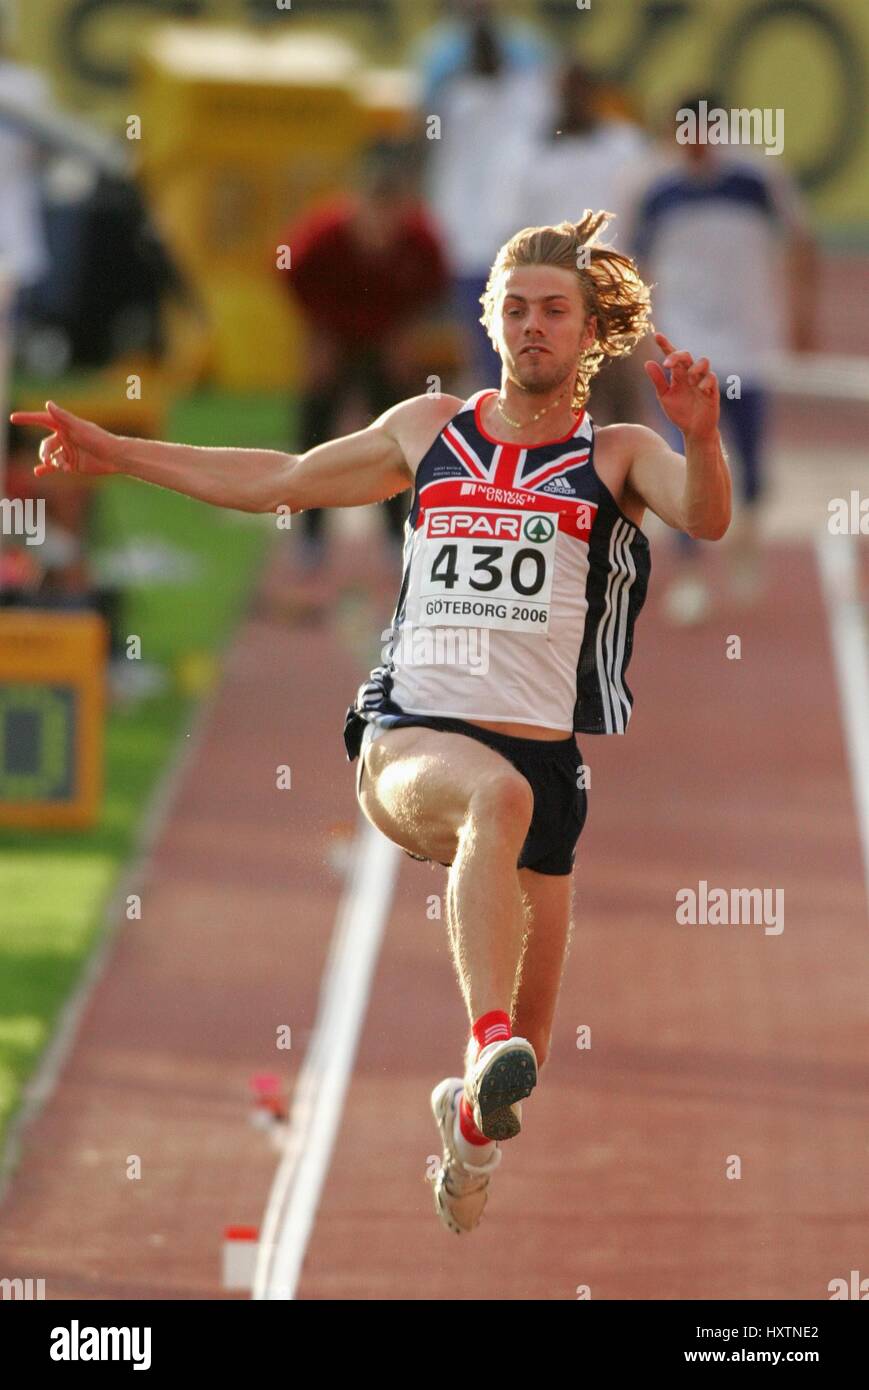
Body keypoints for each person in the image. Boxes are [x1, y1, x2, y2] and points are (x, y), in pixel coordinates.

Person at [12, 211, 732, 1237]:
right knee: (494, 804)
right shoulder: (429, 430)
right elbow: (282, 479)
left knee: (525, 1054)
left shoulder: (615, 454)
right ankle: (481, 1040)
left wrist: (700, 439)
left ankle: (465, 1124)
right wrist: (118, 452)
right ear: (489, 319)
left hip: (545, 762)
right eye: (515, 308)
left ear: (585, 334)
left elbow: (705, 515)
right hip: (410, 736)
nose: (532, 326)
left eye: (553, 312)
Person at [624, 93, 816, 623]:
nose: (691, 141)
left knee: (752, 460)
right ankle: (689, 574)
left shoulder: (758, 180)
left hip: (749, 342)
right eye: (680, 131)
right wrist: (639, 331)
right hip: (683, 343)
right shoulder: (653, 187)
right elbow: (630, 263)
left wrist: (802, 315)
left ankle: (746, 539)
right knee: (685, 460)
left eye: (702, 130)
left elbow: (802, 239)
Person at [275, 141, 449, 573]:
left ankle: (398, 535)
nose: (380, 227)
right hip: (335, 336)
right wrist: (317, 335)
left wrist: (406, 333)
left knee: (395, 435)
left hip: (384, 339)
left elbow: (434, 285)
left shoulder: (420, 241)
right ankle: (310, 536)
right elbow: (286, 272)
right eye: (374, 211)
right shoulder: (324, 235)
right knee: (317, 434)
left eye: (390, 214)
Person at [506, 61, 654, 427]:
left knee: (619, 382)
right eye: (564, 92)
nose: (573, 100)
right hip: (553, 289)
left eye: (580, 91)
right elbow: (517, 227)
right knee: (561, 382)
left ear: (594, 95)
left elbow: (644, 213)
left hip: (612, 284)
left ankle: (620, 464)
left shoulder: (625, 146)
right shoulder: (531, 156)